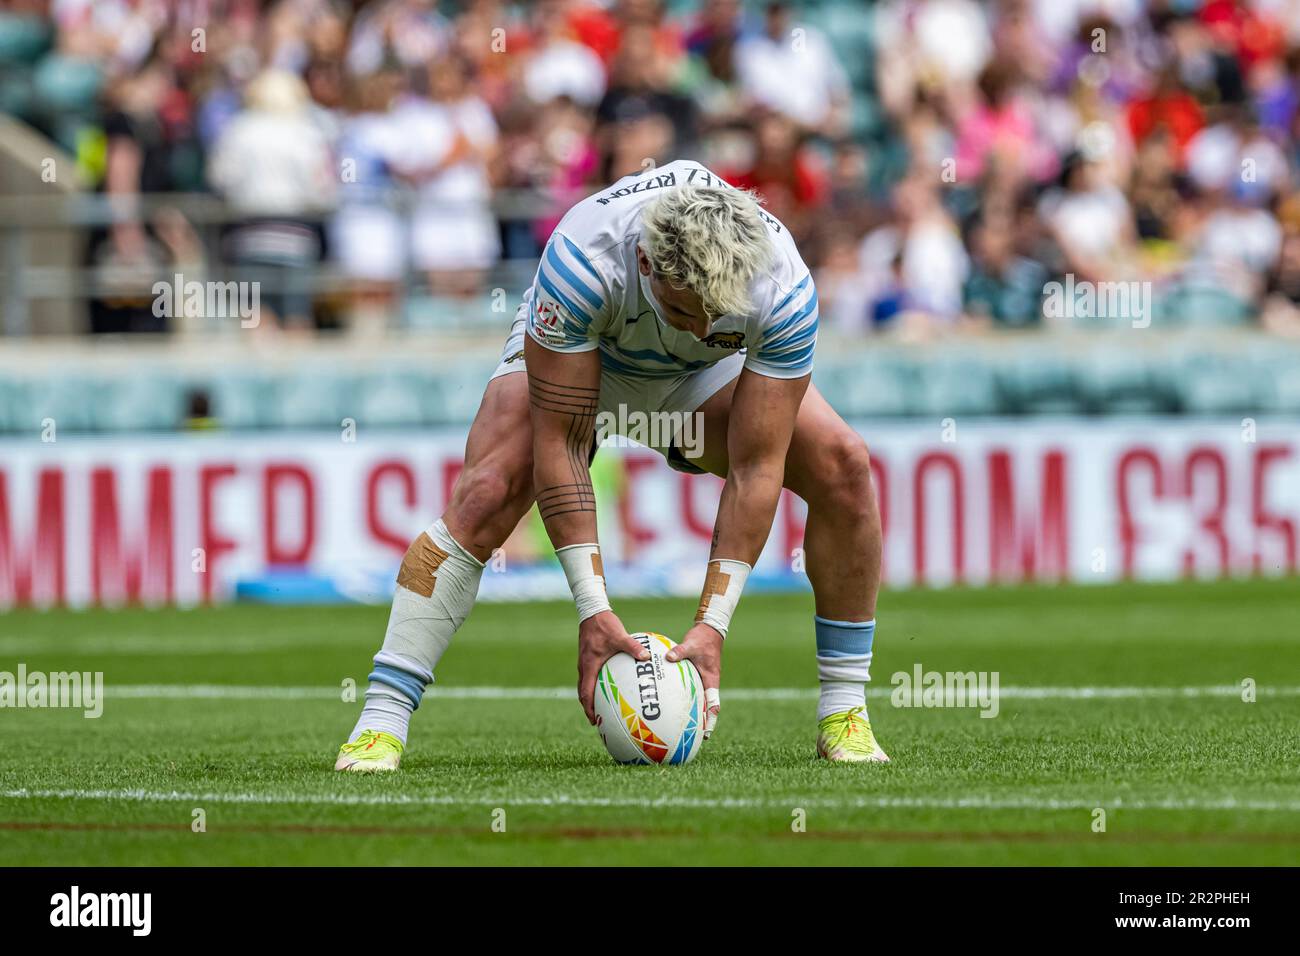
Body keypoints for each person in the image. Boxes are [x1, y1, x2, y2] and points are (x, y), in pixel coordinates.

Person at [335, 160, 887, 771]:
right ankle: (380, 721)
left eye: (716, 316)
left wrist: (712, 628)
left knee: (845, 467)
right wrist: (593, 609)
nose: (704, 326)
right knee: (487, 491)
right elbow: (564, 446)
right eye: (685, 313)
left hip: (701, 379)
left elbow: (757, 468)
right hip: (591, 353)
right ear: (647, 265)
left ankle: (845, 713)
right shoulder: (583, 259)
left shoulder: (779, 284)